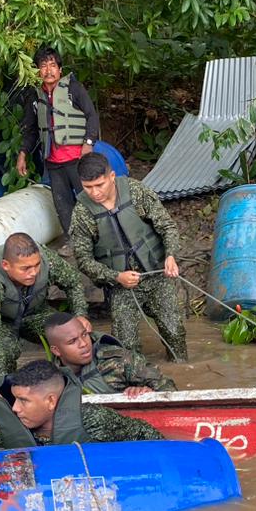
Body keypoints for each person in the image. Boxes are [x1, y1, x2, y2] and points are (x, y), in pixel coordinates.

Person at [69, 152, 188, 362]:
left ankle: (181, 370)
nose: (95, 192)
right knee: (126, 345)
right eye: (88, 187)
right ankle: (136, 384)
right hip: (121, 285)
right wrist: (116, 277)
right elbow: (84, 261)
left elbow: (167, 227)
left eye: (100, 184)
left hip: (157, 275)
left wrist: (170, 255)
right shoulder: (82, 213)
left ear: (112, 176)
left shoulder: (136, 191)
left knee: (174, 331)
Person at [0, 232, 90, 384]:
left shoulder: (46, 259)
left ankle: (74, 379)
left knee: (69, 334)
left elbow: (73, 282)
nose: (34, 273)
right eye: (26, 268)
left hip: (33, 312)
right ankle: (1, 393)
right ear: (6, 265)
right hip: (0, 321)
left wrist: (80, 314)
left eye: (36, 266)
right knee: (5, 350)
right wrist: (0, 386)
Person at [0, 359, 164, 448]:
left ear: (51, 401)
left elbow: (150, 436)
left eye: (24, 401)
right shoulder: (6, 437)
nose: (15, 408)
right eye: (15, 399)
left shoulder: (95, 420)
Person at [17, 44, 100, 234]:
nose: (48, 70)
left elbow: (91, 116)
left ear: (60, 69)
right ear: (37, 71)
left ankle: (99, 237)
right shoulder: (35, 97)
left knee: (88, 200)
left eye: (52, 65)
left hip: (77, 158)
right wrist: (23, 154)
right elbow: (31, 130)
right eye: (43, 65)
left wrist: (88, 144)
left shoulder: (74, 89)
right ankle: (74, 242)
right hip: (53, 162)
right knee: (63, 206)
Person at [44, 311, 177, 398]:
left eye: (84, 335)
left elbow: (169, 389)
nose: (84, 344)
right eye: (72, 341)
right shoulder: (49, 377)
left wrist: (147, 393)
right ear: (56, 350)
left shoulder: (118, 360)